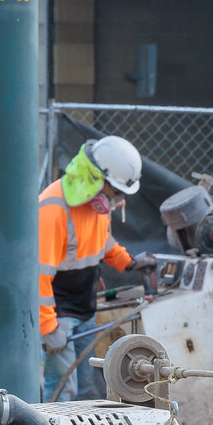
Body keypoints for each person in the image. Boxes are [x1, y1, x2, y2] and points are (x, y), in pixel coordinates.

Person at [39, 136, 141, 400]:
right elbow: (37, 276)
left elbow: (100, 241)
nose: (118, 200)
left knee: (87, 385)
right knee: (62, 387)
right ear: (96, 178)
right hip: (59, 312)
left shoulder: (97, 206)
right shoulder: (53, 209)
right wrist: (49, 328)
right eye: (116, 192)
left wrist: (127, 262)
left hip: (85, 307)